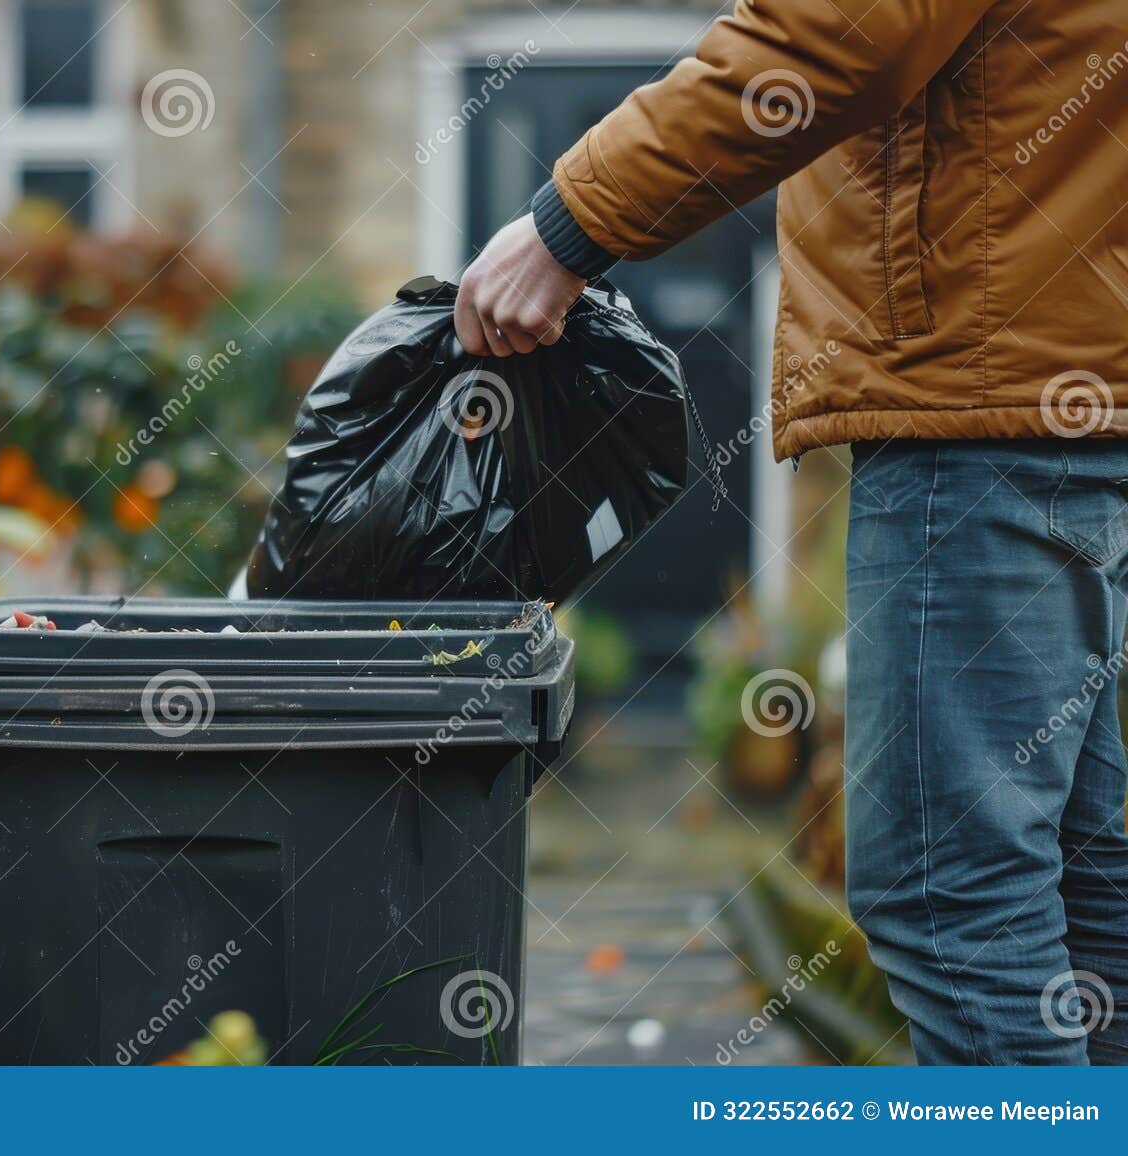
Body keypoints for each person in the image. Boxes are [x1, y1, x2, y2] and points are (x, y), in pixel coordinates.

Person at [457, 1, 1128, 1065]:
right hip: (1064, 390)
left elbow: (831, 36)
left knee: (950, 896)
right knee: (1079, 887)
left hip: (978, 401)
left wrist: (569, 221)